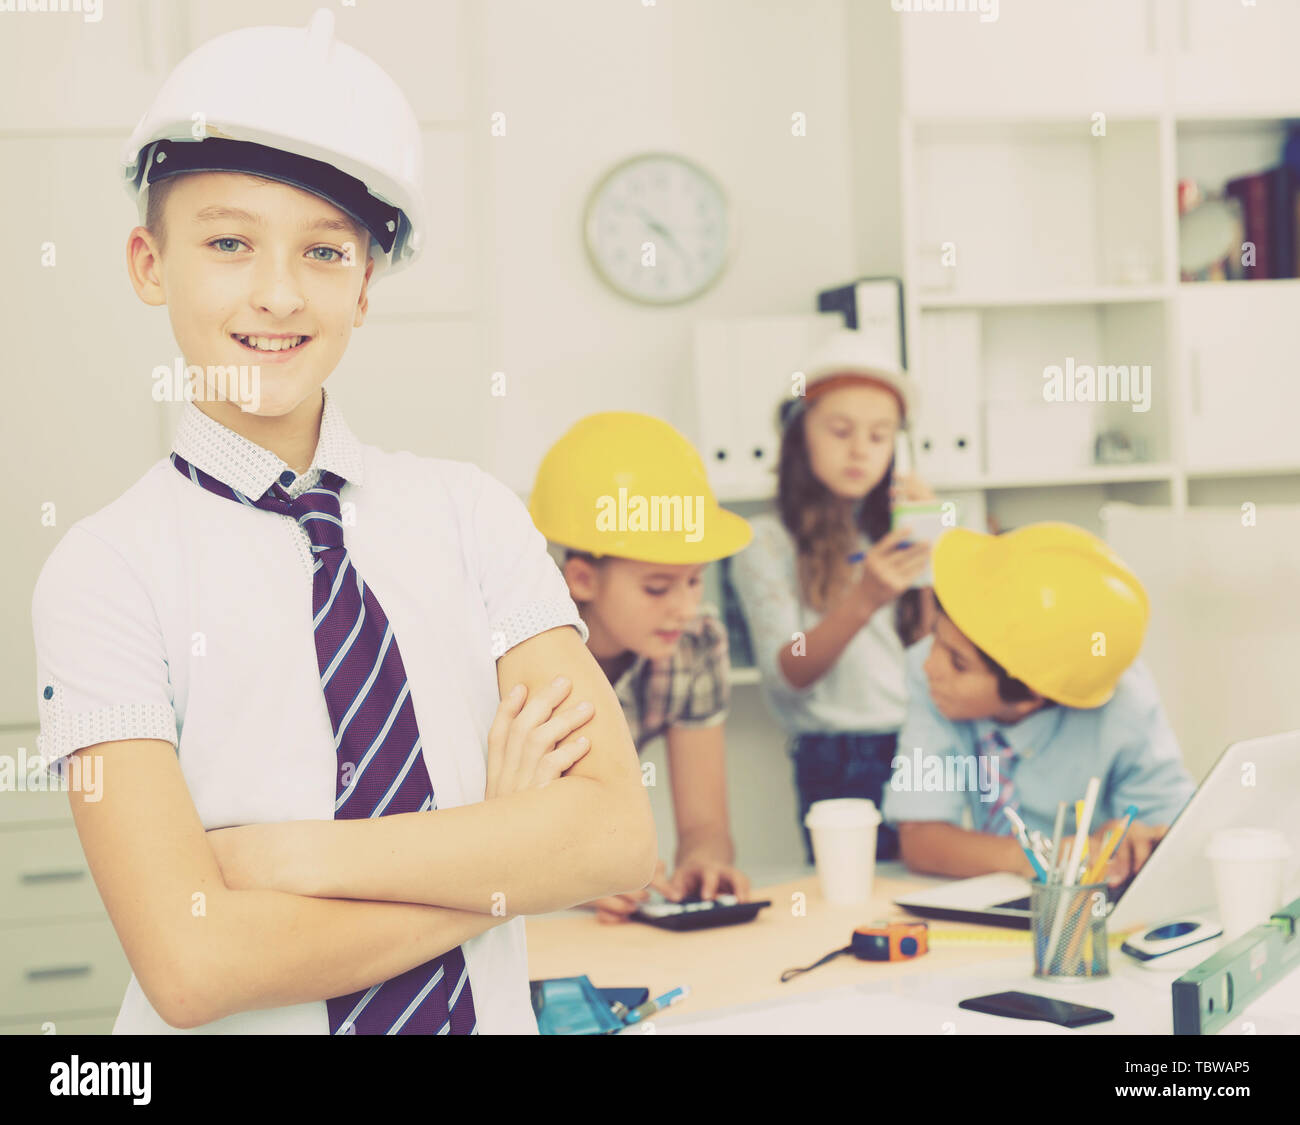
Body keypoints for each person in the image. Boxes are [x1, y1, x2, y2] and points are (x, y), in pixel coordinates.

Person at [30, 10, 655, 1035]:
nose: (278, 293)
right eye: (229, 242)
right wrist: (495, 856)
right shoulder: (104, 572)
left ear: (365, 284)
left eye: (324, 252)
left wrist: (285, 860)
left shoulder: (473, 517)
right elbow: (193, 966)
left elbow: (615, 839)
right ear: (150, 263)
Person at [528, 412, 754, 922]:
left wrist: (704, 863)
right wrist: (571, 882)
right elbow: (476, 828)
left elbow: (705, 823)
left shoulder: (695, 645)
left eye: (694, 581)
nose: (685, 608)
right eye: (657, 588)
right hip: (509, 923)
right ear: (582, 579)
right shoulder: (510, 655)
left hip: (604, 932)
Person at [881, 522, 1195, 884]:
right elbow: (920, 840)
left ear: (1030, 695)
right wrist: (1046, 854)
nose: (929, 665)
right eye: (936, 635)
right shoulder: (933, 681)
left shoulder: (1125, 702)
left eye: (958, 663)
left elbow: (1176, 829)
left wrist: (1137, 838)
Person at [729, 329, 935, 865]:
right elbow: (788, 674)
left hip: (925, 740)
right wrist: (863, 598)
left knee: (928, 894)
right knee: (854, 901)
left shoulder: (897, 531)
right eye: (840, 430)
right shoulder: (766, 543)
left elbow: (935, 656)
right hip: (837, 757)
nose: (860, 450)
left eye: (880, 435)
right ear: (800, 438)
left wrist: (932, 540)